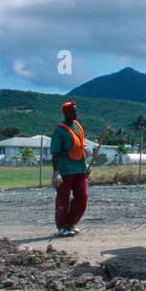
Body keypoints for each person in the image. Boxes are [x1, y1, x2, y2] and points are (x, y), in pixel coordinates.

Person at [50, 101, 90, 237]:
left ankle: (71, 223)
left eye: (76, 111)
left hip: (80, 168)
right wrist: (56, 172)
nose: (75, 113)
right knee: (63, 198)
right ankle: (62, 226)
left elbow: (80, 148)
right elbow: (55, 153)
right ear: (66, 113)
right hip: (65, 170)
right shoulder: (59, 130)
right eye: (73, 111)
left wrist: (85, 167)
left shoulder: (78, 127)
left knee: (82, 197)